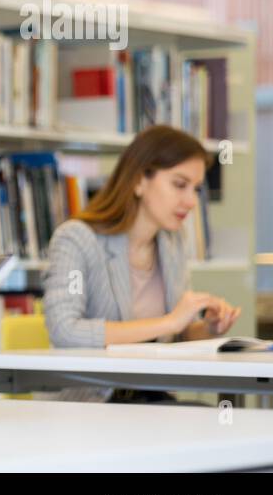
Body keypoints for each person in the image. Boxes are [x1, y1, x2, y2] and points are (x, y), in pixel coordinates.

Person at [44, 125, 241, 352]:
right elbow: (66, 331)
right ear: (139, 180)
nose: (191, 201)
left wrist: (208, 328)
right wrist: (169, 321)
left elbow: (177, 336)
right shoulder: (77, 240)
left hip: (154, 386)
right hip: (98, 388)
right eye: (179, 185)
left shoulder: (171, 242)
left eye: (196, 189)